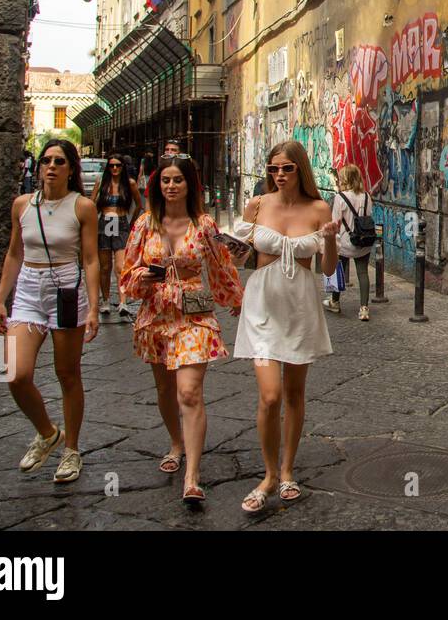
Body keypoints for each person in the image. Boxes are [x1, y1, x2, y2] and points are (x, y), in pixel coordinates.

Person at [120, 155, 243, 504]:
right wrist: (140, 277)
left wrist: (235, 298)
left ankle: (193, 475)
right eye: (165, 180)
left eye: (178, 180)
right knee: (165, 390)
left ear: (190, 185)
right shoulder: (145, 223)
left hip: (194, 313)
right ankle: (176, 443)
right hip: (156, 314)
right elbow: (127, 275)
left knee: (188, 392)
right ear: (158, 185)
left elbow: (222, 265)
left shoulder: (204, 225)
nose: (171, 186)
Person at [232, 140, 337, 512]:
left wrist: (329, 239)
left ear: (300, 170)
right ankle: (269, 474)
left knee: (294, 394)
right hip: (262, 306)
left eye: (286, 168)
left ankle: (288, 470)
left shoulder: (319, 208)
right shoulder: (258, 205)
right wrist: (234, 251)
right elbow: (240, 255)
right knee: (270, 395)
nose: (278, 174)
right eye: (273, 168)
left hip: (301, 307)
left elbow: (327, 269)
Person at [0, 137, 101, 483]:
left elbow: (91, 258)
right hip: (27, 291)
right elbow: (14, 253)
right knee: (16, 373)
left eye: (59, 162)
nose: (51, 167)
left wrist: (95, 306)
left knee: (67, 374)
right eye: (46, 161)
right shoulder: (22, 205)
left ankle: (71, 450)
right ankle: (47, 432)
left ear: (71, 170)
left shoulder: (82, 207)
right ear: (39, 167)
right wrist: (0, 298)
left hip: (66, 291)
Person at [92, 153, 144, 321]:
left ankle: (123, 302)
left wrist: (131, 224)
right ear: (108, 167)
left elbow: (138, 205)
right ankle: (106, 301)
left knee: (121, 267)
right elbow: (92, 204)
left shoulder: (130, 184)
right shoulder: (101, 183)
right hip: (104, 223)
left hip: (120, 224)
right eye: (112, 165)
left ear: (123, 167)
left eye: (118, 165)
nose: (114, 168)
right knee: (105, 266)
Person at [324, 164, 374, 320]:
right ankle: (364, 309)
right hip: (363, 241)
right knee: (363, 272)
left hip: (345, 242)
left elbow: (335, 222)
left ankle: (335, 302)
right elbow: (368, 216)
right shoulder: (366, 196)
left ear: (345, 178)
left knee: (337, 270)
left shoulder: (340, 197)